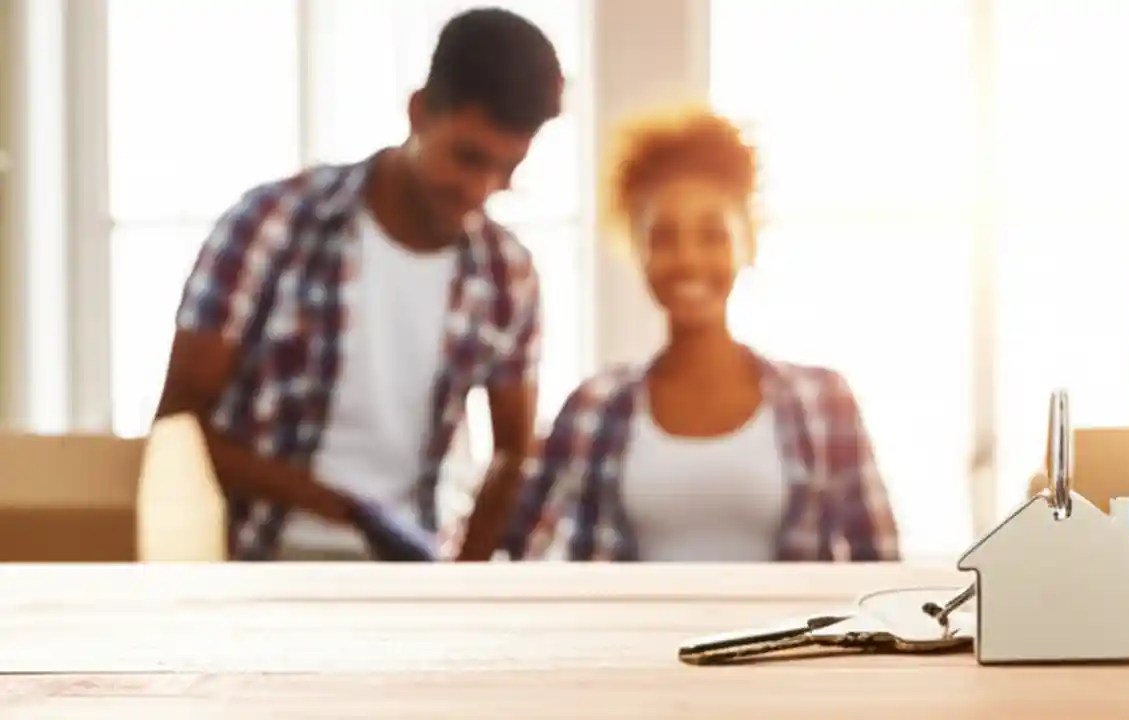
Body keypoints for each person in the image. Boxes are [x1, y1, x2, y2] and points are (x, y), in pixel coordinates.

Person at [154, 8, 562, 561]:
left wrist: (463, 579)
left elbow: (514, 453)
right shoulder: (270, 225)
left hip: (408, 575)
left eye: (506, 169)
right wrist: (331, 504)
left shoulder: (505, 275)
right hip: (258, 563)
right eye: (467, 157)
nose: (480, 188)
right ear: (418, 112)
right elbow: (179, 428)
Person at [505, 108, 900, 562]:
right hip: (631, 635)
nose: (689, 258)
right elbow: (517, 558)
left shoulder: (826, 401)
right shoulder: (592, 407)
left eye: (712, 235)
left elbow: (881, 569)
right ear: (638, 250)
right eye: (664, 237)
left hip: (795, 636)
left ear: (747, 244)